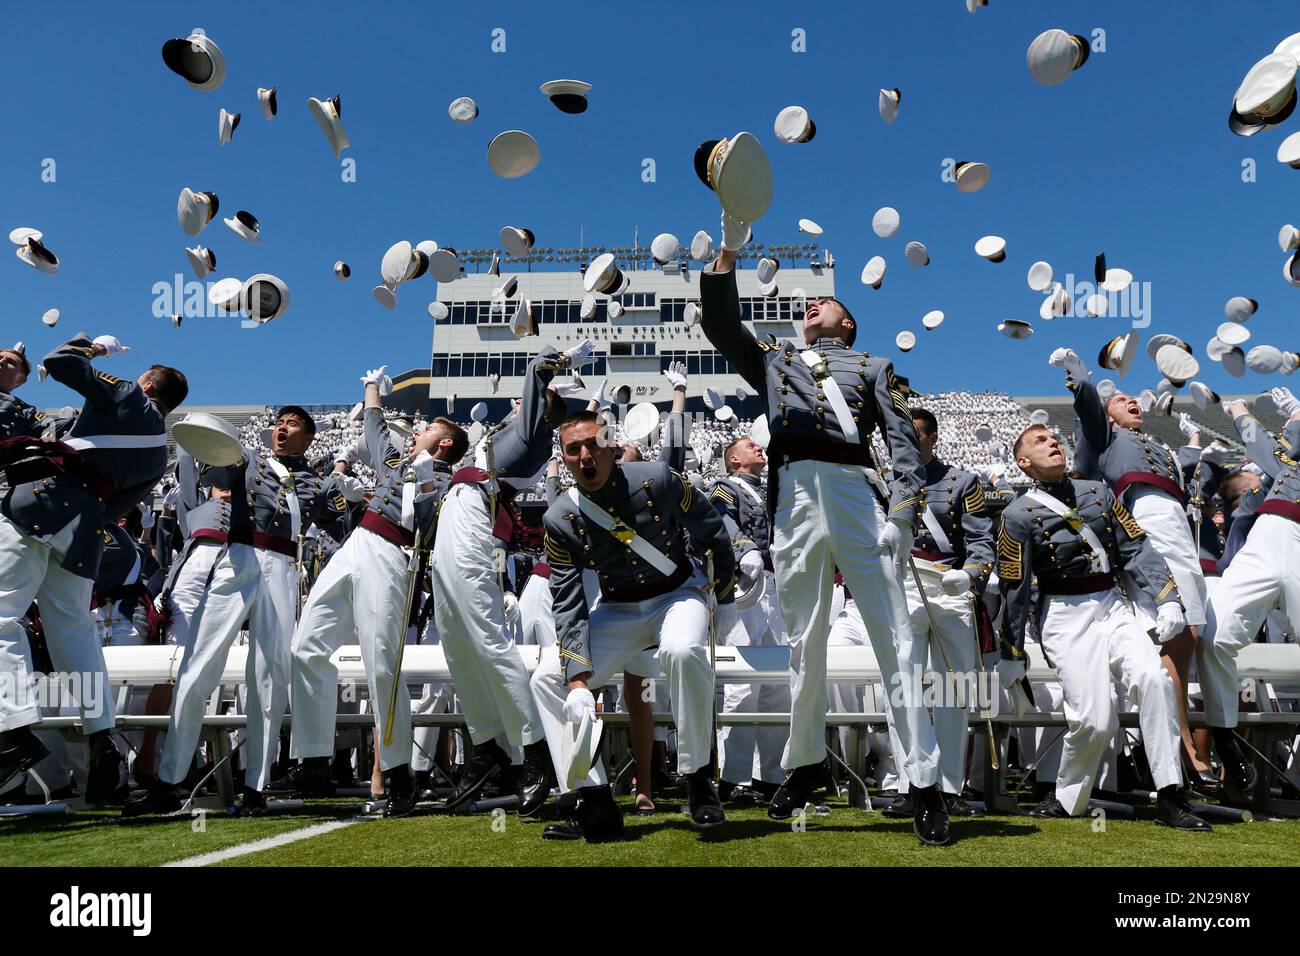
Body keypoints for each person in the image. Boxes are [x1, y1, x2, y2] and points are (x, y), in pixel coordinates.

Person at [699, 212, 949, 846]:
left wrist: (901, 510)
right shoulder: (779, 362)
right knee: (803, 639)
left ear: (849, 323)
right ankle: (806, 762)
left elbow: (900, 441)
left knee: (895, 638)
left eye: (826, 303)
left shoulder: (871, 365)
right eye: (809, 304)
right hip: (793, 499)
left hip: (854, 491)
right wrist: (725, 257)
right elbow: (725, 327)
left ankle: (924, 783)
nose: (813, 305)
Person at [128, 405, 348, 817]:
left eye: (293, 424)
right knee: (197, 666)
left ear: (309, 438)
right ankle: (169, 781)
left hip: (283, 567)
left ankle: (256, 787)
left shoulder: (320, 486)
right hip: (239, 558)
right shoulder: (248, 463)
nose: (282, 428)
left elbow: (343, 527)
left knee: (270, 679)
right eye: (279, 422)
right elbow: (202, 465)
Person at [529, 410, 735, 841]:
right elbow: (567, 602)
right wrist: (579, 679)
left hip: (677, 593)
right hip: (619, 607)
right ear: (564, 459)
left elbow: (710, 527)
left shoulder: (657, 478)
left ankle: (698, 779)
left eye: (592, 445)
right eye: (573, 450)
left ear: (608, 446)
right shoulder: (560, 518)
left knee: (682, 650)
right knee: (548, 678)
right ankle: (594, 798)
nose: (585, 456)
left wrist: (723, 587)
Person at [273, 366, 465, 817]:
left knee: (382, 665)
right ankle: (315, 758)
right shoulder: (397, 460)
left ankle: (400, 776)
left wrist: (430, 484)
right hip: (357, 542)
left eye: (428, 430)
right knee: (306, 646)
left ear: (445, 445)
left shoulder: (455, 485)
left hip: (394, 552)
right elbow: (374, 428)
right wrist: (371, 387)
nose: (417, 431)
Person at [0, 334, 185, 801]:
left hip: (39, 505)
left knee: (2, 616)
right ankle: (102, 737)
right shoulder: (159, 455)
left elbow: (58, 361)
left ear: (147, 385)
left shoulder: (127, 394)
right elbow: (116, 508)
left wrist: (94, 347)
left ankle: (11, 733)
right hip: (83, 536)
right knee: (73, 633)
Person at [996, 424, 1209, 830]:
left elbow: (1137, 547)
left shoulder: (1099, 492)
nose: (1052, 443)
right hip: (1063, 615)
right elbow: (1014, 587)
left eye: (1054, 438)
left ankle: (1170, 794)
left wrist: (1167, 598)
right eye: (1039, 442)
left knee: (1155, 681)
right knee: (1095, 720)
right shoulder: (1015, 515)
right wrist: (1012, 651)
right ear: (1024, 463)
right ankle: (1067, 798)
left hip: (1113, 605)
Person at [431, 342, 589, 813]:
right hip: (455, 511)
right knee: (455, 636)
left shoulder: (534, 433)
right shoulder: (512, 433)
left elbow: (535, 374)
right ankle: (487, 747)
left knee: (484, 633)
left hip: (472, 510)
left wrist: (550, 362)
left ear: (542, 408)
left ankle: (534, 749)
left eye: (527, 399)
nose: (517, 402)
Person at [1050, 349, 1206, 778]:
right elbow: (1086, 405)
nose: (1131, 400)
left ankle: (1180, 746)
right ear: (1109, 417)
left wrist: (1193, 444)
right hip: (1147, 522)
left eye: (1132, 398)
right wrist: (1077, 372)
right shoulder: (1106, 439)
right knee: (1175, 637)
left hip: (1178, 528)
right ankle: (1182, 752)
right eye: (1119, 400)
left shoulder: (1155, 445)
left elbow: (1184, 473)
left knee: (1189, 637)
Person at [879, 407, 995, 818]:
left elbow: (982, 540)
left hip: (949, 585)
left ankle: (948, 788)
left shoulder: (963, 482)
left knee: (953, 691)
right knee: (901, 687)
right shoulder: (883, 483)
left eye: (916, 437)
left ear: (932, 439)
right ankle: (911, 783)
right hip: (902, 585)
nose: (906, 445)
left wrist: (971, 577)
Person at [1199, 393, 1300, 796]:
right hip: (1271, 529)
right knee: (1216, 634)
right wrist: (1241, 413)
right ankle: (1224, 734)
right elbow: (1266, 448)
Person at [708, 434, 789, 804]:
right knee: (744, 682)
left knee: (776, 683)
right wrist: (744, 549)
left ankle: (772, 775)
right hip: (745, 587)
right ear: (734, 461)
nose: (758, 447)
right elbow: (721, 519)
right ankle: (734, 777)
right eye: (748, 446)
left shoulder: (768, 488)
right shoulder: (726, 486)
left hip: (774, 585)